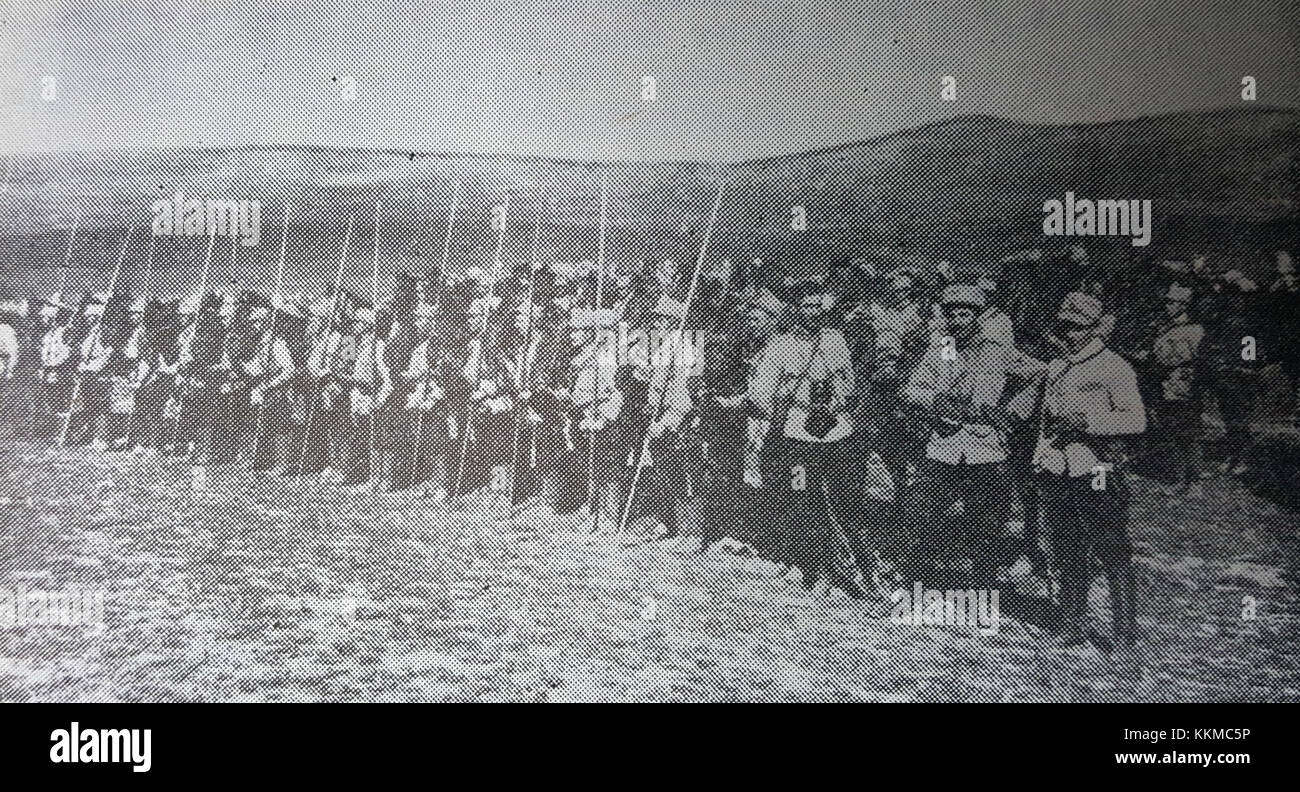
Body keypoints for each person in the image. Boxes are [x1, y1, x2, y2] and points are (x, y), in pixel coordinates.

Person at [1013, 292, 1145, 648]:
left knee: (1111, 547)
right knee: (1067, 548)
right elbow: (1044, 422)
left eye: (1078, 327)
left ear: (1095, 328)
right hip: (1057, 470)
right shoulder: (1057, 367)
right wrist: (1039, 460)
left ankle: (1124, 632)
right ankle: (1072, 623)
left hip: (1097, 468)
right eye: (1065, 327)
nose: (1070, 333)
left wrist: (1086, 421)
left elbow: (1136, 420)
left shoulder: (1115, 366)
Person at [900, 283, 1043, 589]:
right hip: (945, 445)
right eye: (951, 314)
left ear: (977, 315)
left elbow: (1038, 373)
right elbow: (913, 388)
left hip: (986, 448)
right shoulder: (944, 346)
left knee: (987, 524)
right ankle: (915, 581)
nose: (957, 320)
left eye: (964, 313)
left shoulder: (995, 347)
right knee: (922, 513)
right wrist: (935, 402)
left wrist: (1013, 411)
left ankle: (982, 590)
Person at [746, 275, 868, 597]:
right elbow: (761, 389)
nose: (811, 312)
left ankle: (853, 568)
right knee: (803, 498)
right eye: (805, 306)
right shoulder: (781, 344)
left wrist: (836, 398)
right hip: (797, 435)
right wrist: (775, 401)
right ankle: (813, 568)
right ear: (796, 309)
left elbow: (849, 383)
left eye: (817, 306)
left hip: (838, 435)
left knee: (844, 500)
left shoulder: (836, 340)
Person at [1137, 283, 1205, 494]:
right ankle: (1183, 478)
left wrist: (1150, 358)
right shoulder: (1166, 327)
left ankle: (1191, 481)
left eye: (1172, 302)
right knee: (1175, 432)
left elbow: (1178, 357)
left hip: (1182, 387)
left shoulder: (1192, 330)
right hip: (1167, 385)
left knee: (1186, 434)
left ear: (1184, 305)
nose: (1167, 305)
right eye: (1167, 301)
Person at [340, 306, 392, 487]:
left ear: (369, 325)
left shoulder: (377, 346)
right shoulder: (352, 343)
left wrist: (379, 399)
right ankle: (354, 474)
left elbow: (386, 378)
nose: (355, 326)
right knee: (356, 436)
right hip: (355, 396)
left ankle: (378, 478)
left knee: (375, 438)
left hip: (371, 396)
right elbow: (345, 367)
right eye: (354, 322)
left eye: (359, 322)